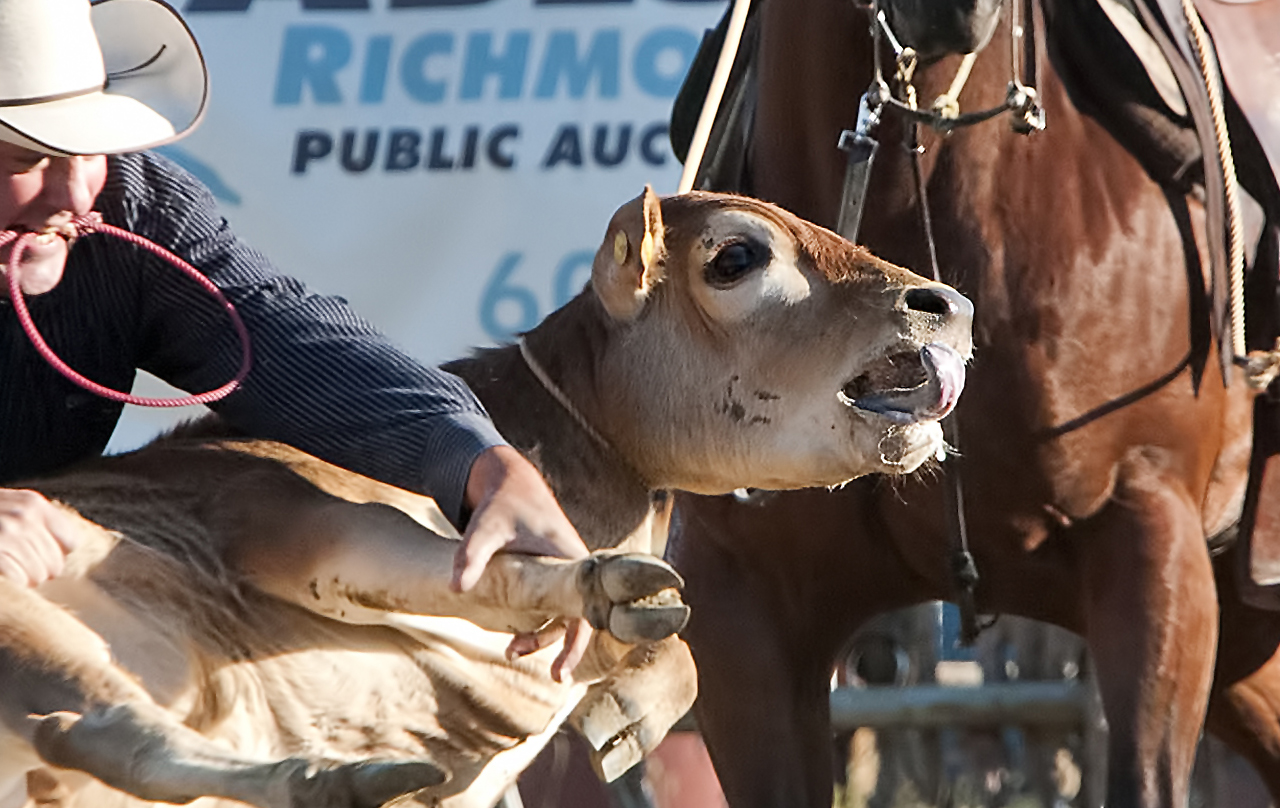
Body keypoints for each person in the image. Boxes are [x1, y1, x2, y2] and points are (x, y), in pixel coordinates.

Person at [0, 0, 591, 670]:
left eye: (91, 146)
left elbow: (281, 331)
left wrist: (484, 463)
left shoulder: (131, 212)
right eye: (28, 156)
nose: (75, 194)